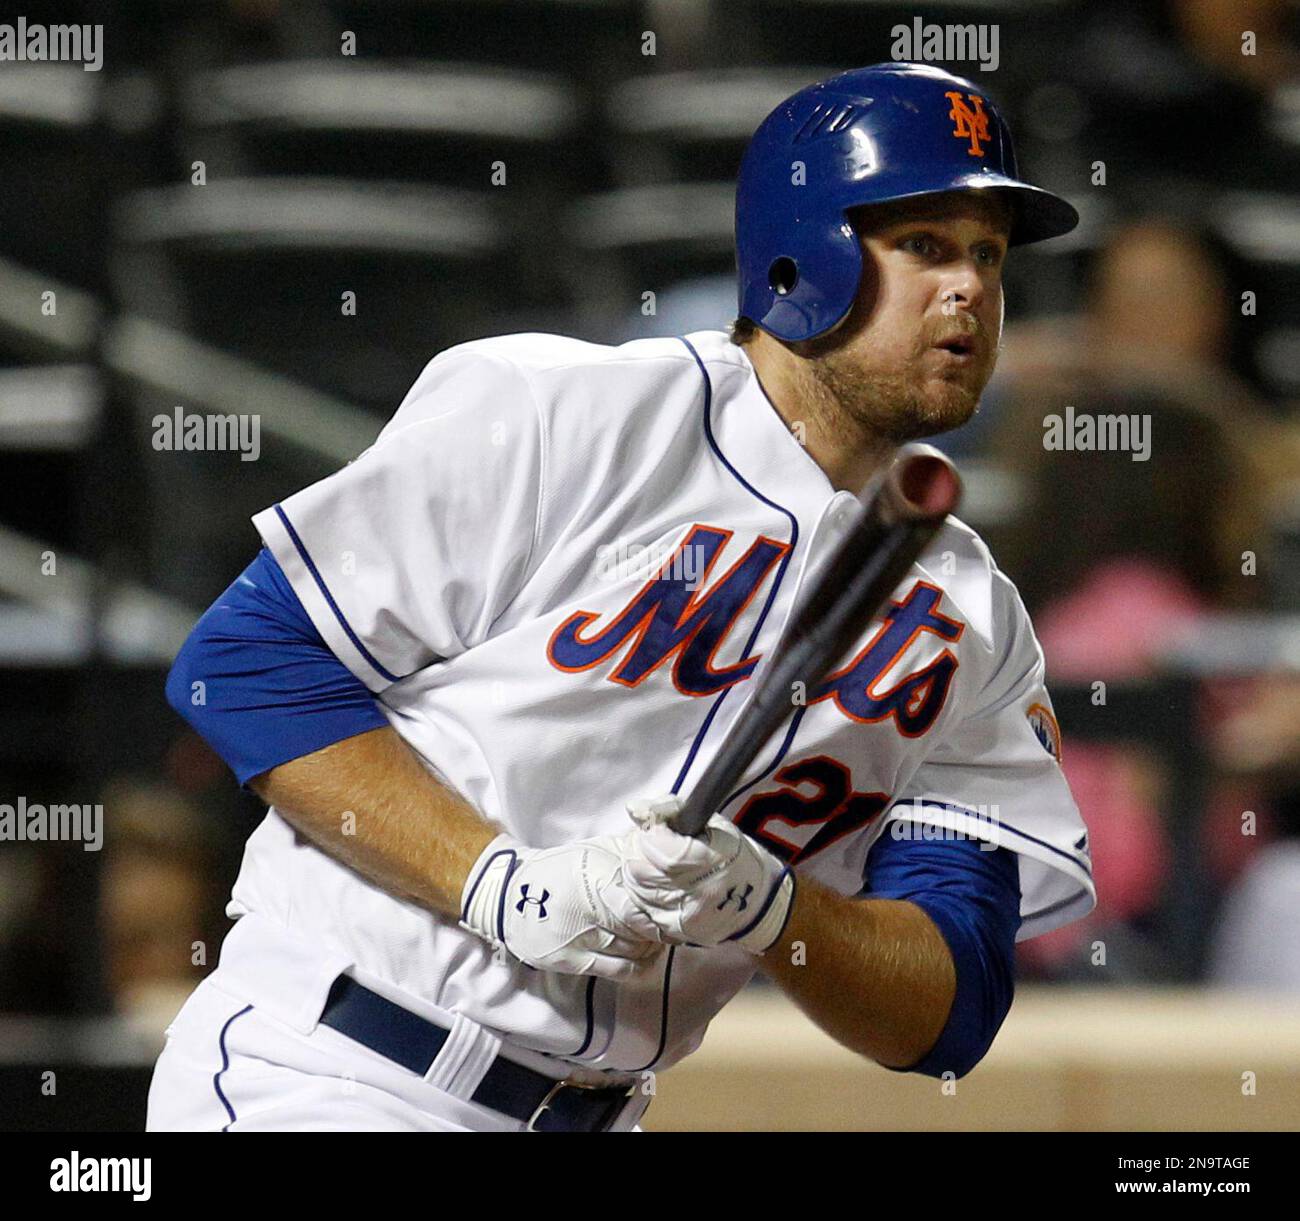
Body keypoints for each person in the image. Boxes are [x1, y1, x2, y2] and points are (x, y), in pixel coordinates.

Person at [146, 63, 1094, 1133]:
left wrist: (773, 908)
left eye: (987, 256)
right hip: (337, 1069)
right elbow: (247, 666)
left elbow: (951, 1005)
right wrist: (497, 885)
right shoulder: (568, 416)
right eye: (922, 246)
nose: (968, 288)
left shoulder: (974, 619)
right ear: (802, 253)